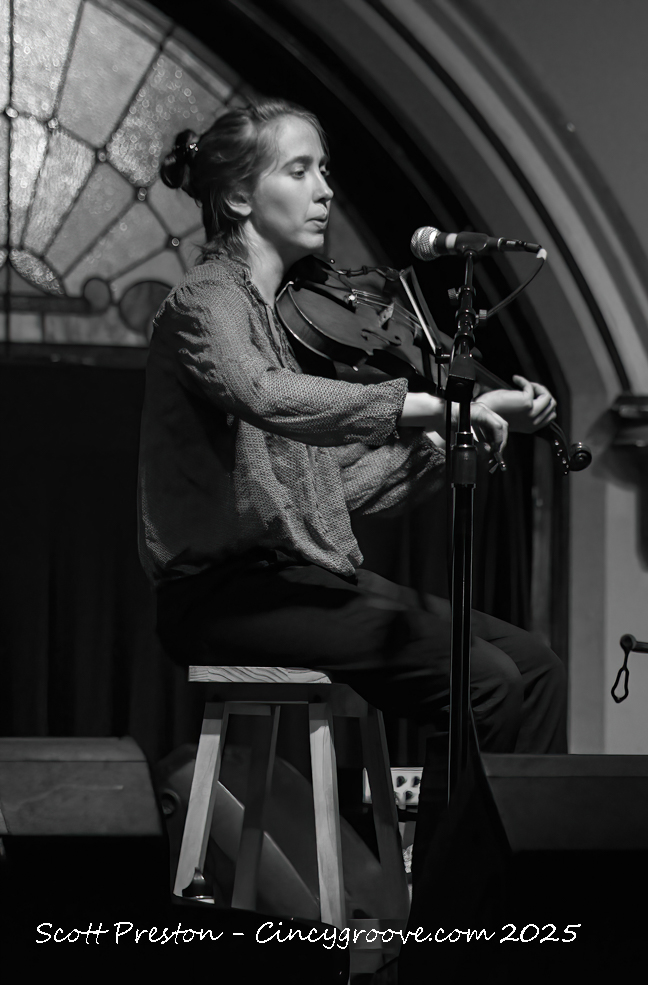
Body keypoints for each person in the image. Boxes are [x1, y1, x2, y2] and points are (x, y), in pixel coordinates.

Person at [139, 99, 566, 756]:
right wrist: (425, 406)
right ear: (241, 196)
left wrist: (438, 445)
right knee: (484, 679)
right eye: (300, 170)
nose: (326, 190)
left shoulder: (276, 319)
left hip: (299, 578)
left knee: (534, 666)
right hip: (224, 595)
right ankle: (459, 861)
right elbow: (263, 392)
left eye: (325, 170)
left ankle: (506, 856)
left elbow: (327, 492)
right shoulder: (206, 301)